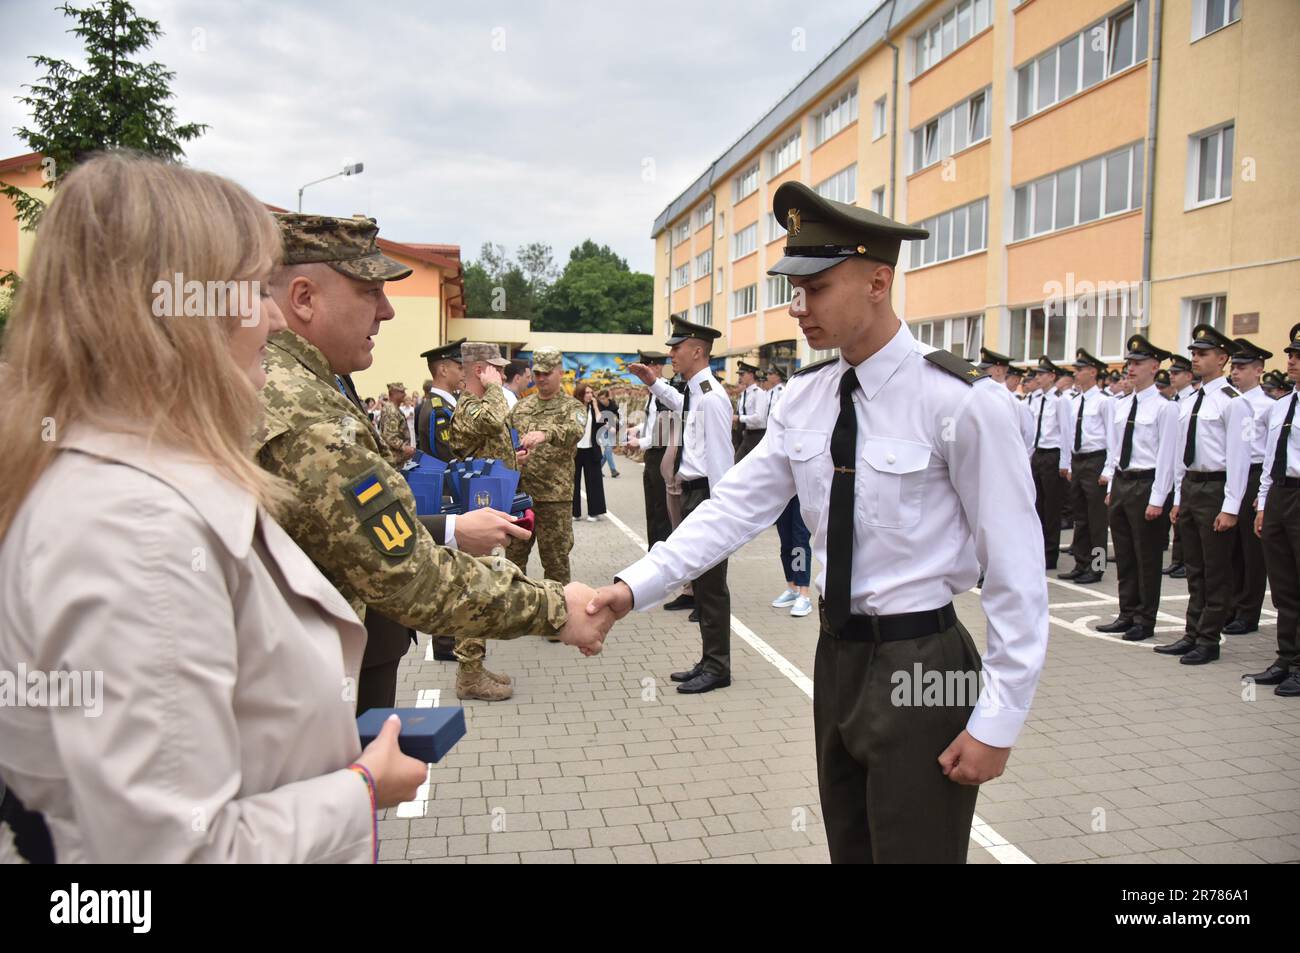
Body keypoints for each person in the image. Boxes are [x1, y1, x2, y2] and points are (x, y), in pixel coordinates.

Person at [590, 182, 1047, 862]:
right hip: (836, 656)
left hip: (920, 664)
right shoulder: (806, 398)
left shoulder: (961, 402)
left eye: (818, 286)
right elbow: (732, 508)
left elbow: (1016, 569)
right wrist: (630, 588)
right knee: (852, 849)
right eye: (792, 288)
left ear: (877, 281)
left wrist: (999, 720)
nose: (798, 307)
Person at [0, 153, 427, 862]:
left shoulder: (132, 488)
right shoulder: (135, 530)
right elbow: (172, 856)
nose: (272, 318)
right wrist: (358, 787)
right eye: (251, 289)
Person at [256, 213, 612, 708]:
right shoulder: (303, 407)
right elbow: (405, 573)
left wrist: (449, 530)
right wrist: (556, 607)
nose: (386, 312)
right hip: (301, 685)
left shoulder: (294, 379)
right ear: (303, 297)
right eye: (368, 291)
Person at [625, 317, 735, 693]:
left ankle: (719, 666)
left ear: (697, 351)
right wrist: (651, 382)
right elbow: (677, 402)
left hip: (706, 497)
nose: (671, 353)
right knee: (702, 584)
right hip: (692, 495)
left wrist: (721, 515)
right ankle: (709, 659)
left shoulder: (714, 398)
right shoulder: (695, 391)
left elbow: (722, 461)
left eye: (677, 347)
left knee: (712, 585)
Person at [1158, 324, 1253, 665]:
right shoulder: (1189, 401)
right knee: (1194, 567)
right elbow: (1183, 453)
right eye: (1194, 353)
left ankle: (1209, 639)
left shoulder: (1233, 403)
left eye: (1203, 353)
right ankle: (1192, 632)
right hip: (1193, 487)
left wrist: (1231, 507)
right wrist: (1179, 499)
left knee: (1216, 570)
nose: (1195, 358)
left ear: (1223, 358)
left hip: (1216, 487)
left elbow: (1240, 460)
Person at [445, 341, 524, 701]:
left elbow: (493, 436)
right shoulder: (469, 404)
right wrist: (494, 388)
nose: (502, 374)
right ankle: (469, 675)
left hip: (488, 505)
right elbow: (493, 419)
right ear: (480, 370)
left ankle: (474, 665)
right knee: (476, 589)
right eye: (495, 368)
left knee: (485, 585)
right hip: (475, 513)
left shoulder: (478, 403)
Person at [1095, 337, 1179, 642]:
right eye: (1129, 363)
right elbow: (1115, 450)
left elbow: (1166, 458)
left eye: (1138, 363)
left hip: (1147, 484)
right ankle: (1127, 612)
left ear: (1155, 367)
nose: (1130, 368)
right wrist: (1113, 486)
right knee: (1126, 554)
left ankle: (1146, 619)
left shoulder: (1164, 409)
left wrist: (1158, 499)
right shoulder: (1121, 405)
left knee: (1147, 557)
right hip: (1123, 483)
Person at [507, 348, 586, 633]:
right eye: (537, 373)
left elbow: (573, 432)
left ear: (560, 372)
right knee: (514, 559)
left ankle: (557, 621)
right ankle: (518, 617)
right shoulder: (521, 408)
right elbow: (507, 441)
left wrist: (546, 434)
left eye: (547, 373)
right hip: (521, 497)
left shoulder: (573, 408)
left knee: (555, 561)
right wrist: (513, 456)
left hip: (555, 498)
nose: (541, 379)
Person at [1248, 323, 1300, 696]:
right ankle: (1287, 658)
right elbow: (1269, 460)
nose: (1291, 361)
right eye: (1291, 355)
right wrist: (1264, 503)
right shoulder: (1280, 406)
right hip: (1281, 495)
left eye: (1297, 356)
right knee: (1283, 587)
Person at [1225, 338, 1272, 635]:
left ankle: (1249, 612)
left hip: (1256, 474)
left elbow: (1269, 450)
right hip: (1233, 473)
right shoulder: (1230, 402)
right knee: (1232, 548)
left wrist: (1262, 495)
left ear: (1259, 371)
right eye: (1234, 366)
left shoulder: (1269, 406)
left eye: (1242, 367)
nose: (1236, 372)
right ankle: (1232, 606)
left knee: (1252, 550)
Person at [1058, 349, 1111, 584]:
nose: (1076, 374)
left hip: (1096, 460)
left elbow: (1113, 438)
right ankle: (1081, 563)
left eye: (1080, 370)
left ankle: (1097, 566)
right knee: (1080, 517)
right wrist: (1068, 464)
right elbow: (1069, 436)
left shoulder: (1104, 402)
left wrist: (1108, 469)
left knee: (1097, 520)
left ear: (1093, 372)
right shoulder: (1075, 402)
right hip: (1079, 461)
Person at [626, 351, 675, 547]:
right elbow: (652, 421)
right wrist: (637, 429)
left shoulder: (665, 392)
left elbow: (666, 429)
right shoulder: (653, 391)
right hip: (653, 453)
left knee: (662, 509)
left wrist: (641, 442)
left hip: (663, 453)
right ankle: (653, 550)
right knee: (652, 508)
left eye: (644, 367)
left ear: (655, 367)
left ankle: (661, 554)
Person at [1027, 358, 1068, 570]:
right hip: (1038, 455)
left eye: (1042, 374)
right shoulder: (1036, 399)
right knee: (1038, 505)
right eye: (1037, 374)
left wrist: (1065, 463)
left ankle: (1050, 555)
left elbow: (1066, 433)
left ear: (1052, 376)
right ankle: (1038, 551)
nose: (1038, 378)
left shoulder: (1060, 401)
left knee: (1051, 508)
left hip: (1053, 455)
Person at [414, 338, 464, 460]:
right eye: (460, 368)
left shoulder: (447, 404)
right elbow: (451, 457)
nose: (464, 373)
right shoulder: (439, 412)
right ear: (443, 370)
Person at [572, 382, 608, 520]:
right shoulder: (574, 408)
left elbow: (601, 421)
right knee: (573, 482)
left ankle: (594, 512)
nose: (590, 395)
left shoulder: (594, 408)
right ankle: (575, 512)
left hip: (591, 449)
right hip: (576, 450)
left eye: (591, 393)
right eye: (587, 393)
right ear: (580, 394)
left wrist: (595, 406)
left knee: (594, 482)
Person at [734, 361, 770, 461]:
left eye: (742, 374)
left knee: (753, 466)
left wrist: (739, 418)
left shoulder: (759, 393)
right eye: (739, 374)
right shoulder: (745, 393)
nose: (739, 377)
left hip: (757, 436)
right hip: (746, 434)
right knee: (737, 463)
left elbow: (759, 418)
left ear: (750, 374)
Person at [377, 382, 414, 466]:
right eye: (402, 392)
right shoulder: (391, 410)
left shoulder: (394, 408)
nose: (405, 394)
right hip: (394, 457)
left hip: (397, 456)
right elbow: (390, 436)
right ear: (394, 393)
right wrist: (404, 447)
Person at [596, 388, 621, 477]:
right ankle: (613, 470)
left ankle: (597, 468)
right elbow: (597, 417)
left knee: (608, 451)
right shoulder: (598, 405)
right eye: (600, 399)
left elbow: (619, 419)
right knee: (608, 448)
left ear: (608, 398)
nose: (601, 400)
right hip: (602, 429)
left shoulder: (613, 405)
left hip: (611, 429)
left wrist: (615, 428)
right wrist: (604, 424)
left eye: (603, 398)